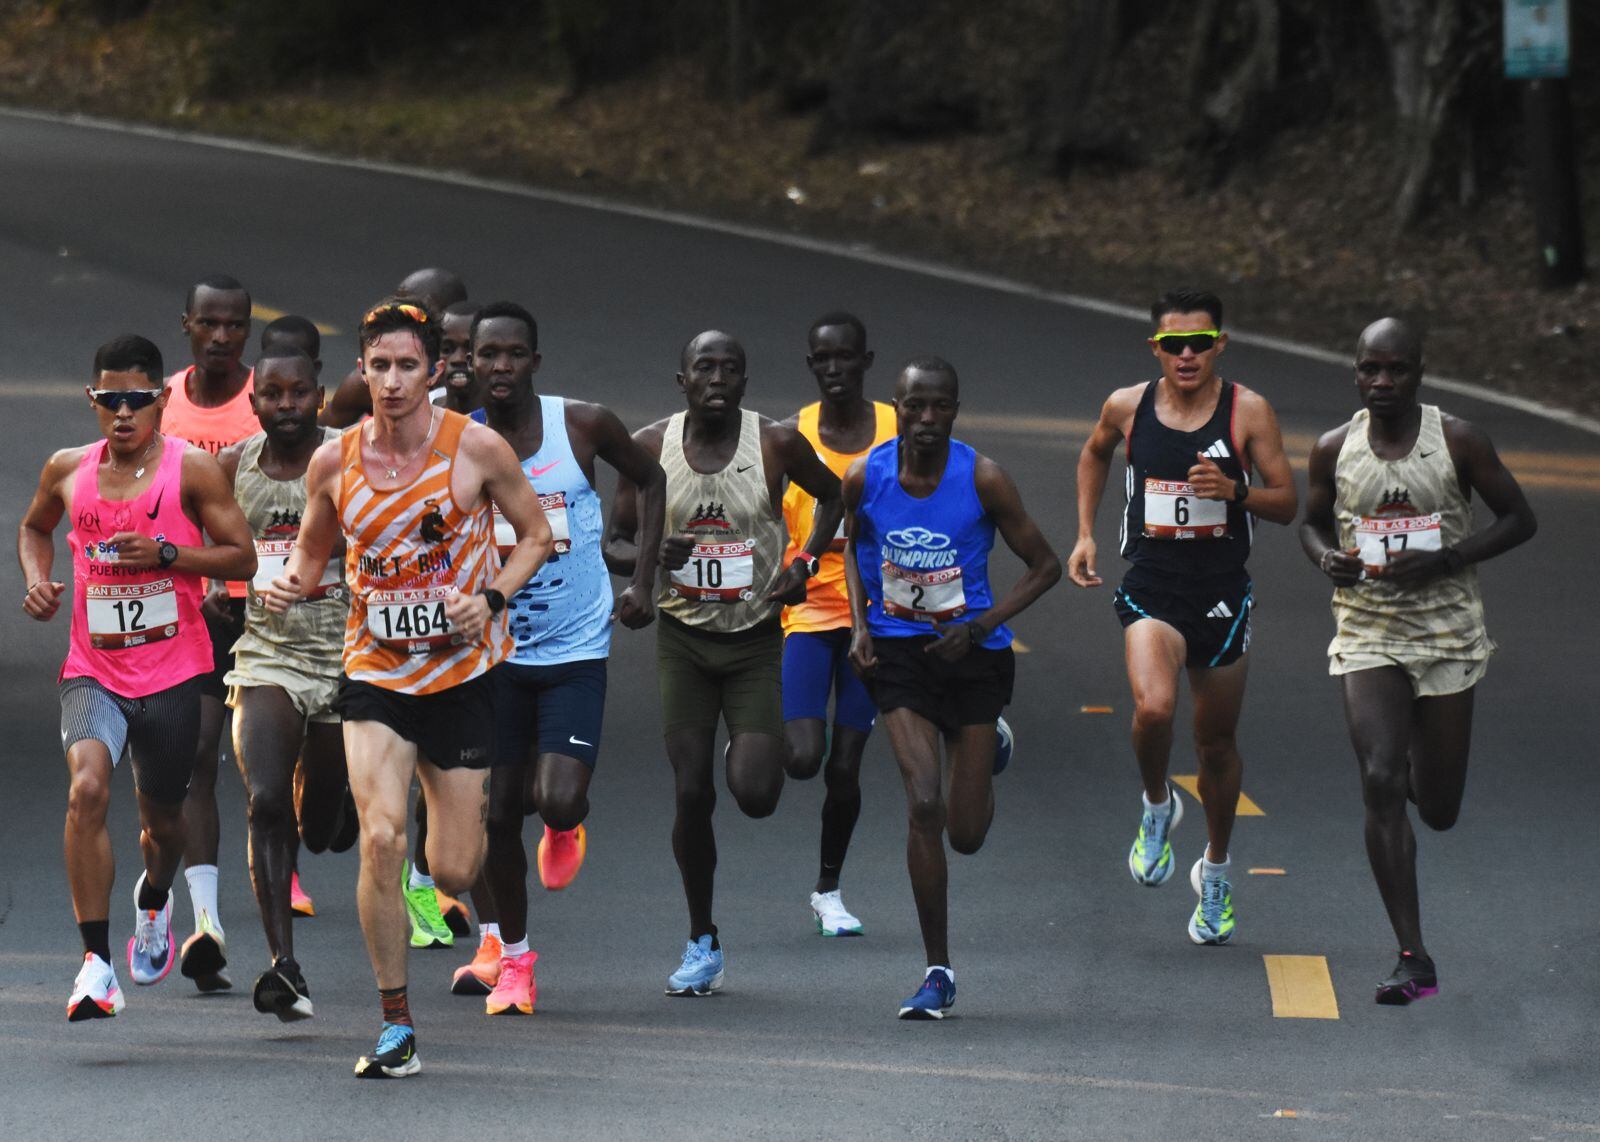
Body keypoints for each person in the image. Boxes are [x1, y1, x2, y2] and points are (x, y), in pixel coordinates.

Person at [264, 298, 550, 1078]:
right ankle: (396, 1024)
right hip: (376, 672)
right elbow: (312, 556)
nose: (392, 382)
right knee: (382, 839)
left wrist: (490, 598)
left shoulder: (476, 448)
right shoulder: (335, 462)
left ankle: (438, 804)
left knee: (454, 869)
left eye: (407, 366)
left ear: (436, 371)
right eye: (379, 366)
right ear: (362, 370)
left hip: (462, 675)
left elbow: (535, 535)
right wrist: (289, 584)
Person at [18, 335, 255, 1021]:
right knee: (87, 789)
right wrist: (37, 580)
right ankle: (95, 966)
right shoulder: (67, 468)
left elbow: (242, 557)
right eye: (110, 399)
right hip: (93, 670)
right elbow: (34, 528)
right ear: (93, 400)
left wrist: (169, 553)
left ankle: (154, 899)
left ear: (163, 399)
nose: (124, 412)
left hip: (174, 674)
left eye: (138, 399)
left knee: (165, 827)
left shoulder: (192, 471)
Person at [1300, 318, 1535, 1005]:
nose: (1381, 382)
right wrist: (1327, 557)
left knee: (1437, 808)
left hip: (1447, 635)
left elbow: (1520, 519)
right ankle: (1413, 957)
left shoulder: (1458, 440)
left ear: (1419, 374)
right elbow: (1311, 522)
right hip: (1368, 630)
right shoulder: (1334, 448)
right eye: (1369, 369)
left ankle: (1411, 753)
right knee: (1379, 777)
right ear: (1355, 373)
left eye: (1395, 369)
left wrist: (1448, 558)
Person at [605, 330, 842, 996]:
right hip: (683, 641)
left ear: (744, 381)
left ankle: (748, 739)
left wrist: (804, 563)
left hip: (755, 640)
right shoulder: (649, 446)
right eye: (703, 368)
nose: (717, 378)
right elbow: (614, 541)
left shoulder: (776, 442)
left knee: (757, 796)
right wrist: (649, 560)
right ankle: (701, 938)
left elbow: (833, 495)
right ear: (681, 380)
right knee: (691, 791)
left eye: (729, 369)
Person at [447, 300, 666, 1015]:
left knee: (557, 797)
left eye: (515, 354)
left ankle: (567, 823)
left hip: (575, 643)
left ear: (535, 361)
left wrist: (643, 581)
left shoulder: (582, 425)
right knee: (496, 816)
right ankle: (514, 960)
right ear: (470, 362)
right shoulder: (458, 440)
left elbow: (651, 478)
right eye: (488, 354)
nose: (501, 366)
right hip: (495, 651)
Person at [1068, 289, 1296, 946]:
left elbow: (1287, 502)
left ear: (1220, 344)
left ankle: (1215, 872)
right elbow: (1094, 453)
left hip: (1221, 594)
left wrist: (1236, 491)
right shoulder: (1127, 406)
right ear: (1156, 349)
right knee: (1155, 709)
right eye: (1174, 344)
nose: (1187, 354)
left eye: (1200, 343)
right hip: (1152, 586)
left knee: (1215, 744)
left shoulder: (1247, 411)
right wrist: (1085, 533)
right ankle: (1156, 804)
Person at [843, 358, 1060, 1018]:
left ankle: (991, 744)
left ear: (956, 410)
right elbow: (850, 545)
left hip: (973, 657)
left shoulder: (983, 477)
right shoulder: (867, 475)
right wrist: (860, 627)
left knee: (966, 834)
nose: (927, 419)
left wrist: (981, 626)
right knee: (923, 803)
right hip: (898, 655)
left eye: (940, 406)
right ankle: (937, 970)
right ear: (897, 409)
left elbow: (1045, 565)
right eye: (915, 406)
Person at [217, 345, 350, 1021]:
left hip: (350, 655)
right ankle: (284, 968)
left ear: (319, 397)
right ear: (254, 402)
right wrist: (216, 586)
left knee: (319, 828)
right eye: (273, 394)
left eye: (299, 393)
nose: (287, 405)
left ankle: (338, 803)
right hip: (268, 654)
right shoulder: (232, 466)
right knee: (267, 801)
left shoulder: (351, 456)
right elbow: (210, 539)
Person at [779, 312, 897, 936]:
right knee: (803, 758)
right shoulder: (791, 433)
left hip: (875, 616)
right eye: (822, 358)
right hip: (808, 609)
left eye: (845, 357)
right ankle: (757, 731)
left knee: (845, 765)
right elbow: (765, 518)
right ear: (810, 365)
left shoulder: (899, 427)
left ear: (865, 361)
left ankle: (828, 890)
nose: (834, 368)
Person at [162, 272, 260, 992]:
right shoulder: (158, 403)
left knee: (278, 776)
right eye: (209, 323)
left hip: (270, 608)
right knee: (195, 757)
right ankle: (205, 924)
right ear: (187, 325)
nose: (222, 336)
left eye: (234, 325)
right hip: (190, 609)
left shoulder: (272, 399)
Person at [321, 268, 468, 429]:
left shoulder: (481, 375)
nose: (401, 319)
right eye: (397, 308)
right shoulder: (366, 382)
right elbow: (318, 435)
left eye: (414, 312)